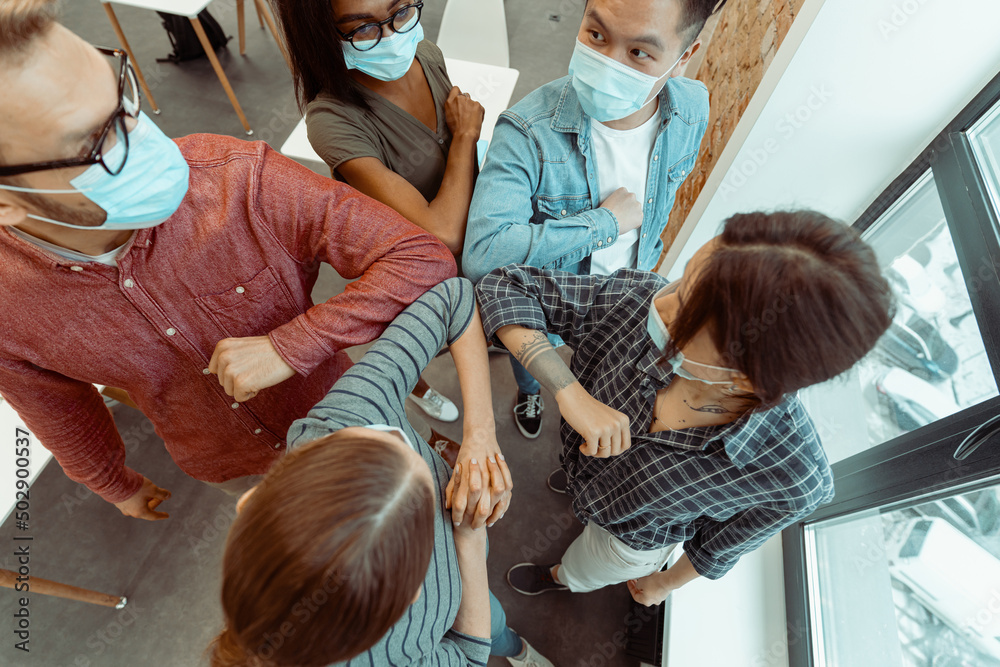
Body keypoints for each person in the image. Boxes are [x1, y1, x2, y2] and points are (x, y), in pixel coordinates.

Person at [0, 1, 455, 518]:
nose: (142, 135)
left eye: (121, 93)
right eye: (93, 140)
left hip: (350, 412)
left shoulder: (238, 181)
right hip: (229, 465)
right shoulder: (9, 309)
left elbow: (419, 255)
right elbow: (55, 405)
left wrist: (292, 345)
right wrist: (113, 483)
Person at [475, 211, 895, 603]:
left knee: (584, 568)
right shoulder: (637, 298)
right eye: (682, 281)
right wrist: (569, 391)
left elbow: (721, 546)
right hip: (581, 464)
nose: (660, 303)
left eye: (685, 316)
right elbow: (503, 287)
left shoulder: (792, 474)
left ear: (744, 378)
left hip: (628, 539)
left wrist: (664, 583)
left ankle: (559, 578)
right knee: (575, 473)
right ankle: (573, 482)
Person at [211, 278, 552, 667]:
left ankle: (514, 647)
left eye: (385, 437)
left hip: (459, 597)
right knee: (492, 629)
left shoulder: (342, 420)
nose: (388, 428)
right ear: (411, 593)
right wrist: (470, 537)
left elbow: (453, 298)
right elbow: (470, 657)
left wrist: (481, 435)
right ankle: (518, 651)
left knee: (497, 629)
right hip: (467, 600)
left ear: (251, 500)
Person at [463, 0, 725, 440]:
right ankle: (530, 391)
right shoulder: (528, 131)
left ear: (684, 57)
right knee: (535, 355)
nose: (608, 64)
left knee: (606, 369)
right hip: (551, 297)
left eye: (639, 53)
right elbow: (484, 254)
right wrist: (603, 223)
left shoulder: (691, 109)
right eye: (597, 35)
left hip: (628, 288)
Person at [269, 0, 487, 425]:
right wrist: (465, 137)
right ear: (325, 37)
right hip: (411, 262)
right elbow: (442, 233)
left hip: (474, 239)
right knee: (412, 336)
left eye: (401, 12)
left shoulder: (426, 55)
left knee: (469, 317)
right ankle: (417, 387)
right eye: (363, 29)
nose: (391, 37)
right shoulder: (332, 119)